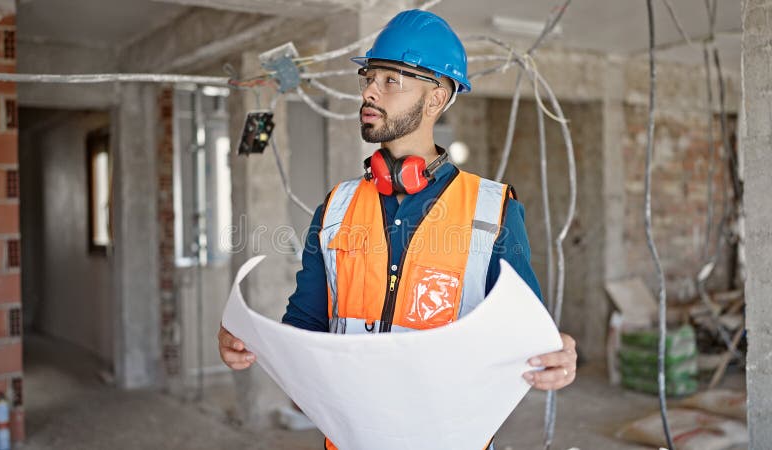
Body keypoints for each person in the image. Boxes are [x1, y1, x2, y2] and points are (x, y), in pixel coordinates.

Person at [219, 9, 577, 449]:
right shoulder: (336, 206)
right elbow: (306, 327)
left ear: (435, 98)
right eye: (370, 77)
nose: (369, 90)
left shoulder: (493, 210)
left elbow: (527, 338)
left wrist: (558, 351)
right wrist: (254, 341)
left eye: (391, 80)